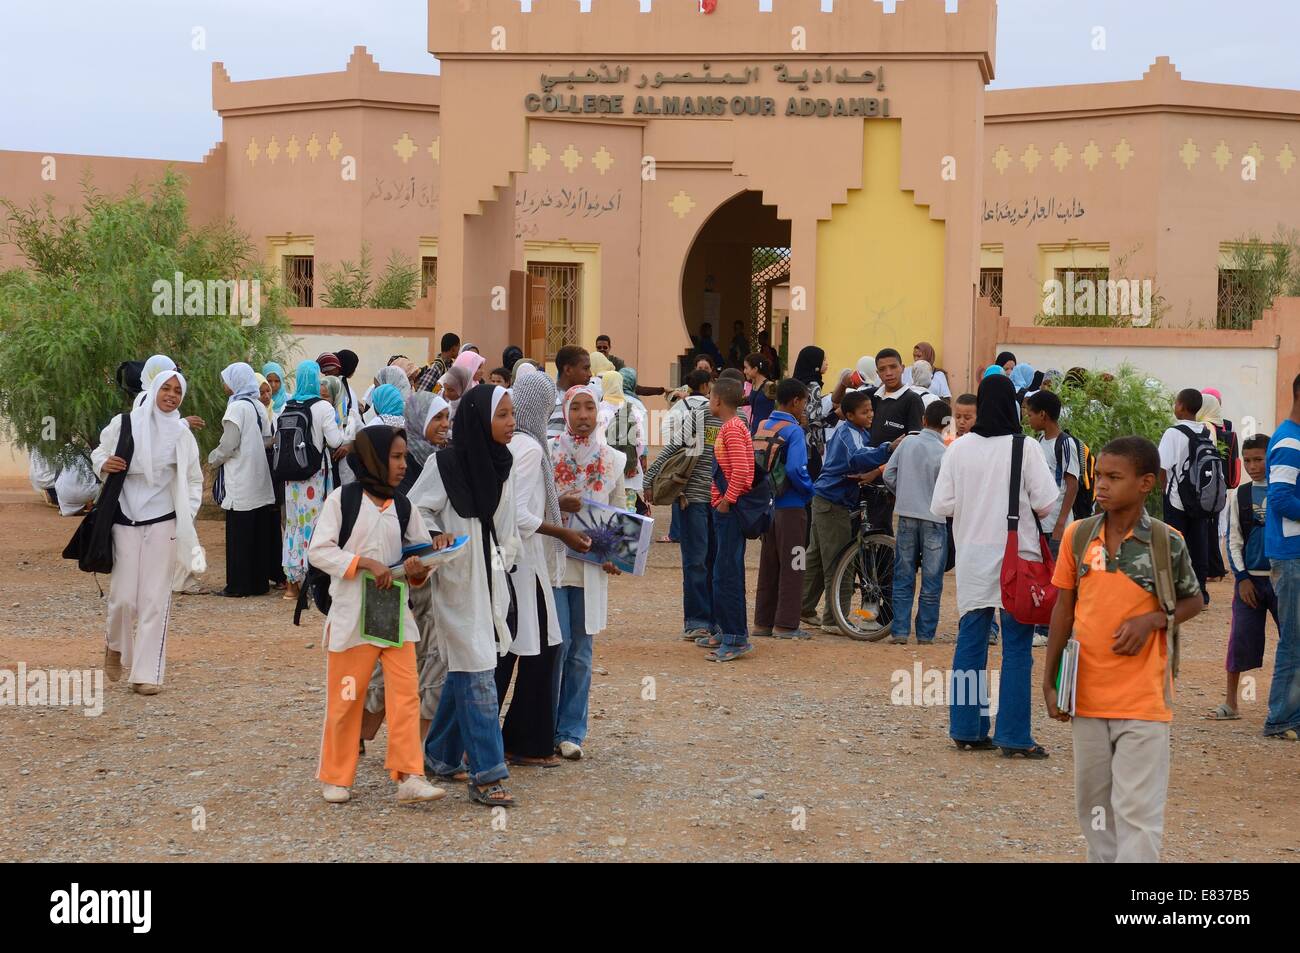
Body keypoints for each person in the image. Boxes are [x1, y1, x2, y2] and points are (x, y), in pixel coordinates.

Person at [1044, 436, 1204, 862]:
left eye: (1115, 478)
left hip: (1144, 701)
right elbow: (1063, 609)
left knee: (1137, 811)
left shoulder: (1166, 542)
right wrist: (1050, 680)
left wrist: (1152, 619)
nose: (1102, 486)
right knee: (1094, 808)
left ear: (1146, 482)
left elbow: (1194, 600)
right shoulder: (1079, 537)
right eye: (1100, 476)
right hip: (1088, 696)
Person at [308, 425, 447, 806]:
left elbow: (418, 557)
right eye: (396, 457)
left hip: (393, 610)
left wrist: (420, 569)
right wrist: (364, 563)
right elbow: (318, 551)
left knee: (404, 694)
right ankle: (336, 776)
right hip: (354, 612)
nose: (403, 465)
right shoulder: (343, 499)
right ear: (374, 458)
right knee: (347, 696)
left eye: (404, 457)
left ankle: (409, 776)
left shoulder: (404, 506)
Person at [931, 374, 1057, 756]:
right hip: (1017, 558)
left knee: (970, 642)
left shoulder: (958, 448)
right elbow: (1047, 504)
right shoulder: (1026, 448)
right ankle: (1014, 737)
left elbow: (941, 507)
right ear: (1014, 407)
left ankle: (967, 728)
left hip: (971, 556)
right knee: (1017, 647)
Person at [413, 384, 520, 806]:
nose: (511, 423)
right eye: (502, 415)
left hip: (492, 579)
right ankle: (487, 774)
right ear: (479, 419)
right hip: (457, 581)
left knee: (472, 666)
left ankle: (439, 756)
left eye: (512, 415)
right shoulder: (445, 464)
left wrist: (501, 562)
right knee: (477, 672)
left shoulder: (501, 464)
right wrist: (438, 538)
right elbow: (418, 510)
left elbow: (508, 528)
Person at [91, 369, 205, 695]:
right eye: (165, 389)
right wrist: (104, 463)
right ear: (154, 390)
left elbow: (194, 480)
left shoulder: (183, 436)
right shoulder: (125, 424)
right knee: (124, 597)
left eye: (177, 391)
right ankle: (115, 644)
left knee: (156, 599)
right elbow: (100, 450)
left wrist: (187, 514)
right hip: (124, 518)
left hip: (164, 521)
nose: (171, 395)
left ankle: (146, 673)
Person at [498, 373, 592, 767]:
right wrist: (562, 533)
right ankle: (515, 743)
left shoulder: (521, 443)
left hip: (530, 562)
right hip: (522, 564)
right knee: (524, 651)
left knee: (538, 648)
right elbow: (518, 513)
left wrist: (559, 508)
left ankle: (520, 741)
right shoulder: (529, 448)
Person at [552, 385, 626, 760]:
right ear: (565, 412)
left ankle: (571, 732)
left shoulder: (613, 459)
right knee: (557, 646)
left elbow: (620, 513)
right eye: (576, 408)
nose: (583, 415)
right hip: (555, 564)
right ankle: (544, 727)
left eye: (589, 408)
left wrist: (614, 552)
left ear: (598, 413)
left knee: (581, 651)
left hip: (591, 569)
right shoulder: (547, 453)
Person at [801, 390, 897, 634]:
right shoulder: (848, 434)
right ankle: (834, 619)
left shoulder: (857, 432)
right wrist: (888, 449)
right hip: (833, 503)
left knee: (815, 558)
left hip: (824, 499)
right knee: (839, 560)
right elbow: (857, 458)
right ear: (849, 415)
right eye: (864, 412)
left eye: (871, 411)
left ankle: (802, 607)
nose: (870, 415)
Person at [646, 370, 720, 641]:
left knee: (712, 559)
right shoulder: (700, 417)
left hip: (721, 501)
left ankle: (715, 618)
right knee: (697, 560)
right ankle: (697, 620)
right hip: (695, 498)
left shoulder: (738, 421)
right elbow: (675, 446)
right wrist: (649, 477)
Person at [1213, 435, 1277, 720]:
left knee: (1292, 641)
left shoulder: (1286, 490)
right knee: (1240, 639)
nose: (1253, 466)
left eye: (1258, 459)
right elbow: (1234, 540)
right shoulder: (1239, 495)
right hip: (1251, 580)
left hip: (1283, 580)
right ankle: (1231, 703)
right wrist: (1242, 577)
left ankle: (1288, 706)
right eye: (1247, 460)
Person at [691, 376, 754, 662]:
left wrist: (727, 500)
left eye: (710, 398)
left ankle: (735, 638)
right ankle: (724, 630)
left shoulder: (731, 429)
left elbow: (741, 470)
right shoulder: (734, 426)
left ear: (717, 400)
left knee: (726, 574)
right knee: (723, 572)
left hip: (729, 512)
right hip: (724, 510)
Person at [281, 360, 348, 601]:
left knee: (293, 525)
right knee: (314, 524)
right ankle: (313, 580)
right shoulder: (323, 407)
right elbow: (335, 441)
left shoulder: (287, 404)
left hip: (291, 477)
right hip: (314, 476)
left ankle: (291, 584)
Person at [208, 363, 277, 597]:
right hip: (259, 478)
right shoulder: (258, 405)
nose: (224, 384)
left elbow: (229, 444)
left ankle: (238, 586)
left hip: (241, 480)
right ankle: (258, 583)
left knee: (239, 536)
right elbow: (267, 439)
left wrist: (213, 459)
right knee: (257, 535)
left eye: (227, 379)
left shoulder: (236, 407)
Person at [752, 379, 814, 639]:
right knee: (796, 563)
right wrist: (810, 490)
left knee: (769, 565)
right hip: (792, 509)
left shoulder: (763, 425)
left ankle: (762, 623)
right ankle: (787, 625)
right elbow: (795, 469)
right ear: (797, 401)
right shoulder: (794, 431)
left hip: (768, 507)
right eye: (805, 402)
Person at [884, 400, 949, 645]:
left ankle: (900, 632)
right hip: (934, 520)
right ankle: (925, 635)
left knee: (903, 575)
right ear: (946, 425)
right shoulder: (945, 452)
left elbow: (888, 474)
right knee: (932, 580)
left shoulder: (908, 443)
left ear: (923, 420)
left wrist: (902, 492)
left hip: (907, 516)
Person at [1025, 388, 1079, 645]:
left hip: (1056, 521)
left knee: (1056, 576)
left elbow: (1072, 482)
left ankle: (1051, 630)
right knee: (1041, 574)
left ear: (1043, 415)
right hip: (1039, 522)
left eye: (1030, 413)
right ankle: (1044, 625)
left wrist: (1060, 522)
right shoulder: (1036, 442)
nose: (1028, 418)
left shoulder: (1064, 443)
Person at [1264, 375, 1300, 741]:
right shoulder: (1290, 442)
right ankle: (1281, 719)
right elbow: (1281, 499)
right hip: (1292, 556)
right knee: (1294, 638)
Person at [1158, 388, 1213, 603]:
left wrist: (1164, 489)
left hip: (1176, 498)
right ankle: (1200, 594)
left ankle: (1175, 592)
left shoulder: (1173, 432)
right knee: (1199, 545)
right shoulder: (1207, 432)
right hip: (1202, 499)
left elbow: (1162, 466)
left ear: (1180, 406)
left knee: (1174, 545)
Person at [869, 348, 924, 535]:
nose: (888, 373)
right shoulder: (872, 398)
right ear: (877, 373)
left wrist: (880, 471)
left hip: (891, 479)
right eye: (882, 369)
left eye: (893, 367)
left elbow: (912, 443)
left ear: (903, 368)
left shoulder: (912, 400)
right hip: (866, 476)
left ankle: (887, 565)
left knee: (882, 530)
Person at [792, 345, 830, 479]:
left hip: (795, 438)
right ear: (814, 363)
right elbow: (814, 420)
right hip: (809, 444)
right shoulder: (814, 385)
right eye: (823, 359)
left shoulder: (796, 383)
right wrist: (820, 445)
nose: (827, 363)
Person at [548, 345, 592, 438]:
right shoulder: (559, 403)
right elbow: (552, 446)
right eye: (585, 368)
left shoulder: (577, 398)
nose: (590, 374)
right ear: (568, 370)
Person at [743, 353, 775, 434]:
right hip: (754, 430)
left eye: (746, 368)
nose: (744, 371)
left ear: (755, 369)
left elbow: (778, 406)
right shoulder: (754, 384)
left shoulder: (770, 386)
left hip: (765, 431)